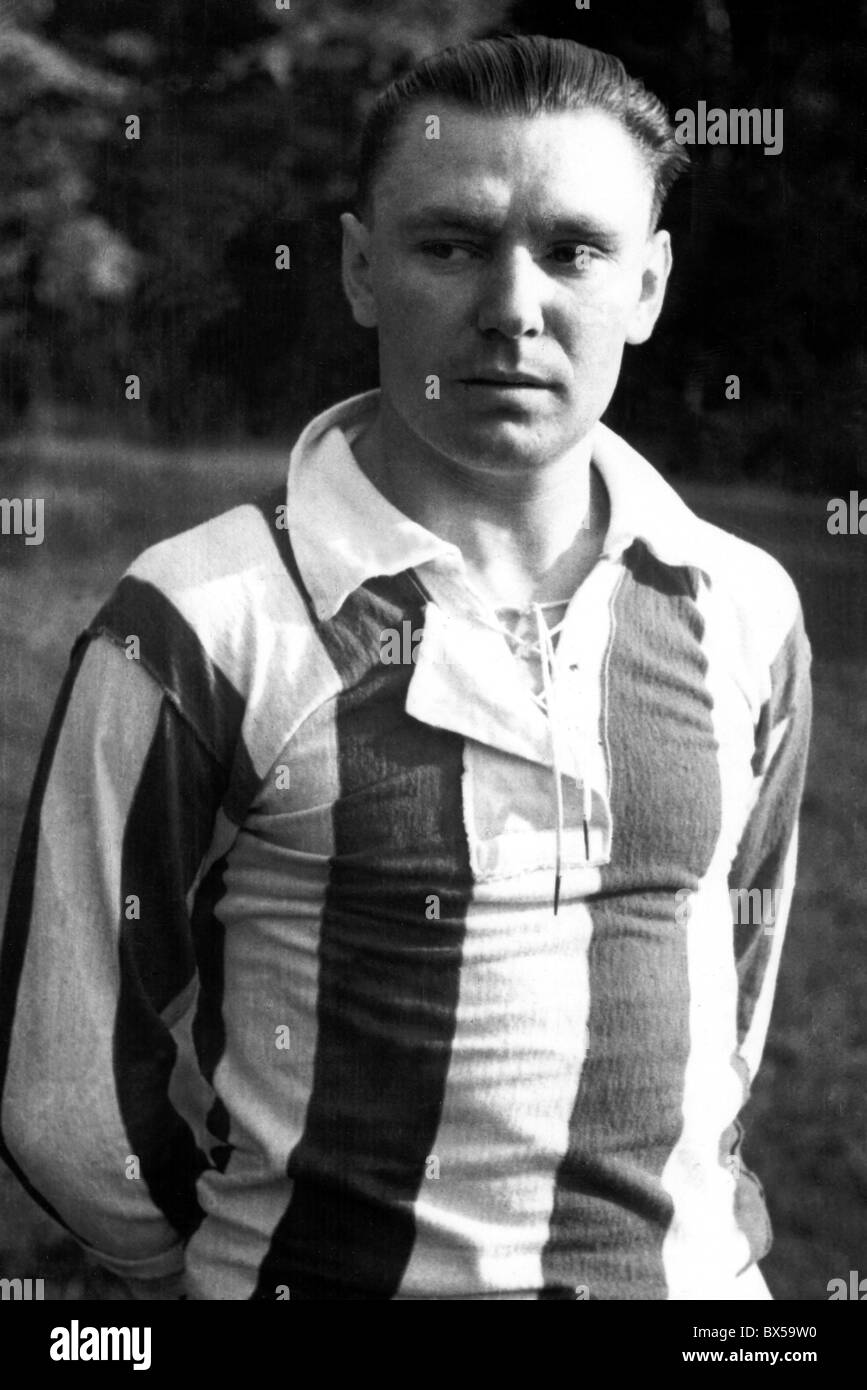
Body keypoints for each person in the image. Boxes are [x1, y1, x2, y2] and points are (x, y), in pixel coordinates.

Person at [0, 33, 811, 1301]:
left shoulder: (748, 609)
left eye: (574, 249)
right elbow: (59, 1083)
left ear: (647, 288)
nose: (514, 305)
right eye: (452, 244)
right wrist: (222, 1266)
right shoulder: (201, 613)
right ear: (360, 269)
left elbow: (739, 979)